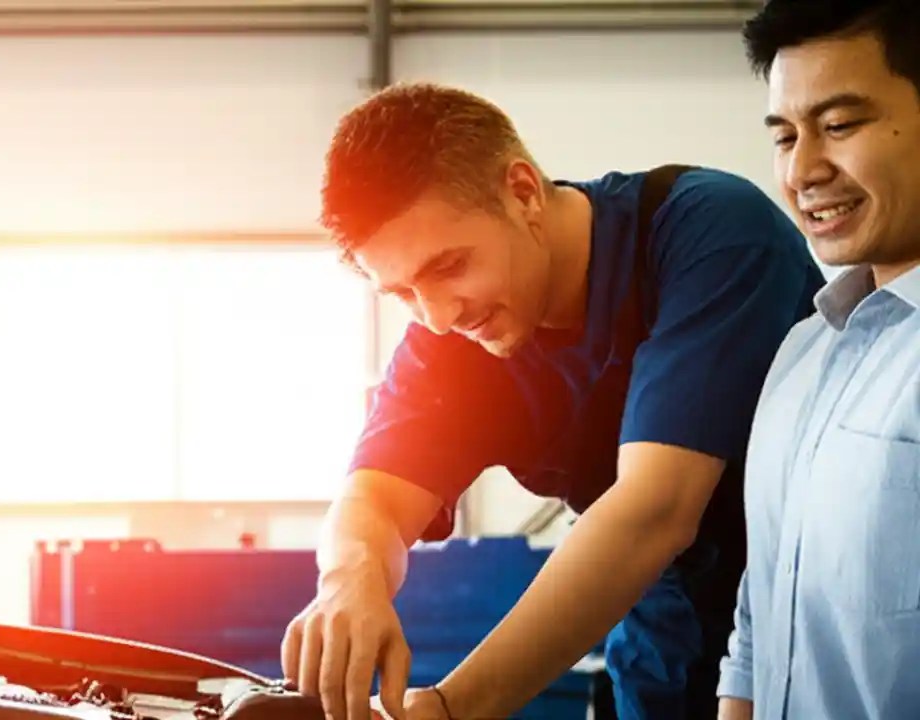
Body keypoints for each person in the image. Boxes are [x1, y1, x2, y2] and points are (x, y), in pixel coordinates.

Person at [279, 82, 827, 720]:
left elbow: (657, 510)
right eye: (402, 292)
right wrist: (351, 577)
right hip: (662, 657)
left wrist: (449, 710)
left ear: (522, 192)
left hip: (815, 646)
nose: (437, 315)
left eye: (449, 266)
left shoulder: (710, 235)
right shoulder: (452, 334)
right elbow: (374, 497)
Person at [716, 2, 920, 718]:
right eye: (783, 136)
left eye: (839, 126)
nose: (802, 169)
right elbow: (759, 617)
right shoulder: (805, 349)